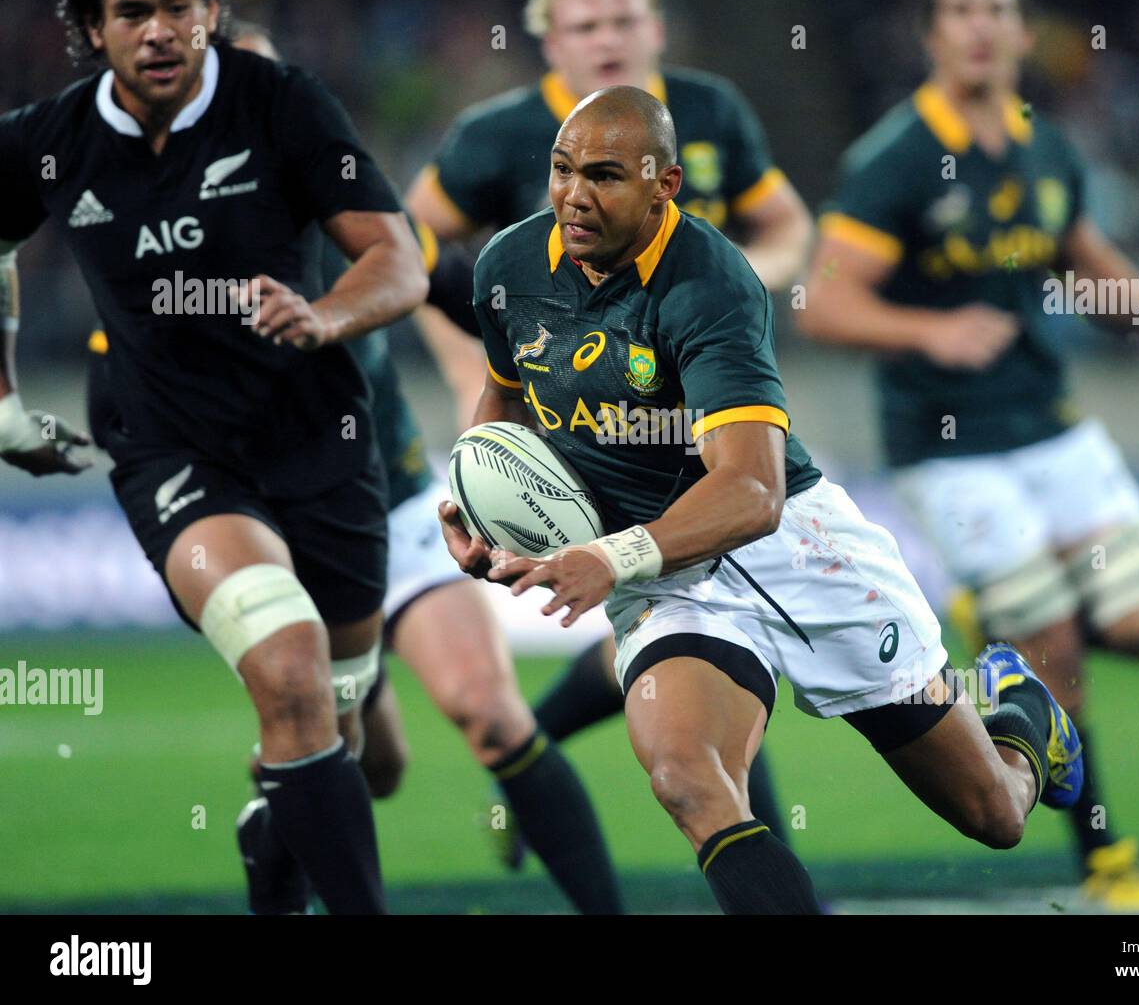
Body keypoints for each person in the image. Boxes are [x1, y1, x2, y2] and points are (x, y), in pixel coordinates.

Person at [439, 84, 1084, 915]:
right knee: (686, 781)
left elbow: (752, 491)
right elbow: (504, 403)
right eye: (561, 170)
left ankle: (1024, 714)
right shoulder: (511, 267)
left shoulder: (709, 282)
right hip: (667, 580)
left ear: (664, 185)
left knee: (994, 814)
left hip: (794, 551)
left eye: (602, 175)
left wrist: (608, 555)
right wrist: (475, 507)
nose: (572, 195)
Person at [84, 20, 623, 915]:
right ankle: (280, 826)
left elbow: (464, 290)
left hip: (392, 495)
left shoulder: (341, 191)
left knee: (492, 711)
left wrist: (572, 364)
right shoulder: (157, 236)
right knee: (365, 763)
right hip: (263, 524)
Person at [0, 0, 433, 914]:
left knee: (355, 743)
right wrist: (3, 403)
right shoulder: (51, 138)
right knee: (288, 670)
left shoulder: (282, 103)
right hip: (174, 453)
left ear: (212, 8)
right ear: (93, 27)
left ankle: (273, 841)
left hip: (319, 441)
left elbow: (399, 261)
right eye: (132, 11)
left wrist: (326, 315)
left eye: (179, 5)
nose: (158, 30)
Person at [799, 0, 1139, 908]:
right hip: (949, 444)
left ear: (1021, 30)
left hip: (1049, 420)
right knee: (1056, 655)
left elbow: (1088, 260)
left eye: (998, 7)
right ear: (932, 32)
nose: (984, 26)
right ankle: (1107, 863)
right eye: (962, 9)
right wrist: (930, 327)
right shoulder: (896, 159)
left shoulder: (1044, 142)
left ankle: (995, 627)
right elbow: (823, 305)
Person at [406, 0, 812, 853]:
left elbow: (787, 225)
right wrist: (467, 363)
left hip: (703, 397)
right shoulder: (495, 136)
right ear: (548, 42)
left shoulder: (707, 113)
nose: (608, 42)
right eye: (585, 27)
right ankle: (761, 862)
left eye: (625, 22)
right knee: (692, 620)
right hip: (574, 424)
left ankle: (533, 757)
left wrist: (742, 285)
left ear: (657, 29)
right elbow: (413, 246)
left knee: (687, 613)